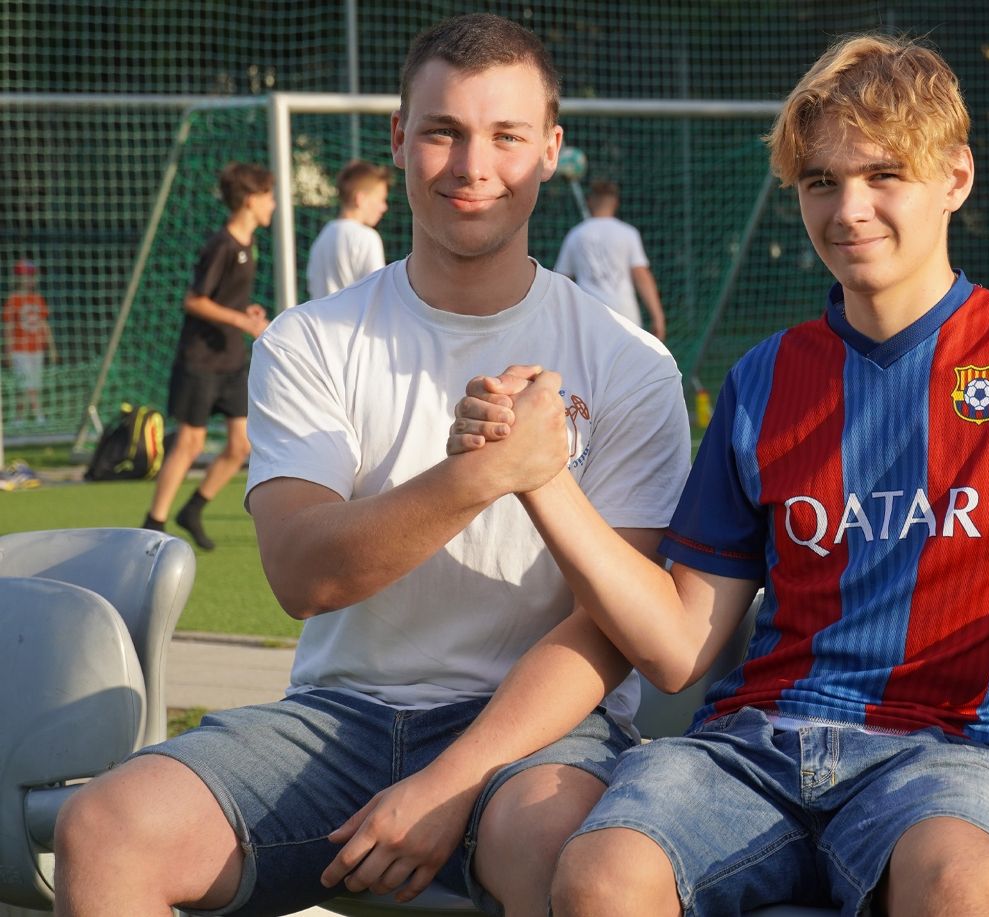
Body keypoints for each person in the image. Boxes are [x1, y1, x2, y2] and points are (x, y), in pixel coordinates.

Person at [454, 33, 989, 916]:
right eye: (821, 183)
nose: (850, 210)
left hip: (951, 757)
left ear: (954, 179)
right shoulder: (764, 378)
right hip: (750, 751)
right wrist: (543, 480)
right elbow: (682, 647)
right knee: (600, 875)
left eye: (883, 175)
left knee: (955, 881)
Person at [55, 13, 688, 917]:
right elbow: (304, 573)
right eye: (443, 131)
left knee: (557, 846)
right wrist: (480, 472)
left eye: (507, 136)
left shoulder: (629, 363)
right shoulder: (312, 339)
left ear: (551, 151)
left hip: (538, 736)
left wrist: (453, 780)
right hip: (339, 719)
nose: (474, 165)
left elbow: (614, 626)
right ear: (398, 140)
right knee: (108, 828)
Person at [139, 162, 274, 552]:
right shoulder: (222, 245)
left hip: (231, 360)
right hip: (200, 360)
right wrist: (239, 320)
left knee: (239, 446)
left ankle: (194, 508)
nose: (274, 204)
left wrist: (244, 312)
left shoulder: (248, 244)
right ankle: (154, 523)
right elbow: (194, 300)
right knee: (191, 444)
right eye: (268, 196)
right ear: (250, 201)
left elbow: (224, 298)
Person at [554, 180, 667, 340]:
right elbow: (641, 275)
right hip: (626, 317)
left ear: (590, 201)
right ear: (615, 202)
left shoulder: (576, 235)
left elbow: (561, 280)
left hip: (588, 318)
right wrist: (658, 317)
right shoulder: (628, 233)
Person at [306, 160, 392, 300]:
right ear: (360, 199)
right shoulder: (367, 237)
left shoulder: (322, 237)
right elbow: (377, 294)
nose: (384, 207)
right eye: (381, 199)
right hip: (354, 321)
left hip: (320, 320)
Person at [2, 258, 57, 424]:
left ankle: (20, 418)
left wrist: (52, 348)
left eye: (31, 276)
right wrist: (8, 351)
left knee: (34, 383)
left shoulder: (37, 299)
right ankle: (38, 415)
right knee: (25, 384)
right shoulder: (13, 300)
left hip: (36, 349)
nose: (29, 279)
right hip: (20, 350)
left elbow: (44, 324)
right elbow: (8, 327)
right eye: (25, 276)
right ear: (18, 278)